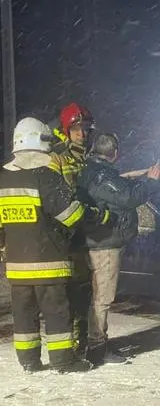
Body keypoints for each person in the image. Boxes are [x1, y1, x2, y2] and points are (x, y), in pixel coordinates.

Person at [0, 118, 106, 373]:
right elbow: (70, 215)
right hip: (48, 262)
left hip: (16, 266)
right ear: (40, 141)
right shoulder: (45, 176)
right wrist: (97, 215)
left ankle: (29, 361)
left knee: (24, 315)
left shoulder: (2, 177)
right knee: (57, 313)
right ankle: (63, 361)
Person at [76, 133, 160, 365]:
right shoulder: (101, 174)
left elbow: (120, 190)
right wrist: (150, 181)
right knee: (102, 298)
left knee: (95, 296)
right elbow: (127, 197)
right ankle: (97, 348)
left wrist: (142, 179)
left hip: (96, 241)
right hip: (104, 244)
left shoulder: (92, 171)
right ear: (115, 153)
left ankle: (88, 342)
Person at [47, 102, 96, 355]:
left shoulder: (91, 158)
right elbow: (54, 198)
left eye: (85, 128)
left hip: (89, 235)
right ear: (67, 130)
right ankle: (72, 346)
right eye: (77, 129)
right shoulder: (57, 158)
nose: (82, 134)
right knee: (69, 294)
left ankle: (83, 342)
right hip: (67, 237)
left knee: (85, 292)